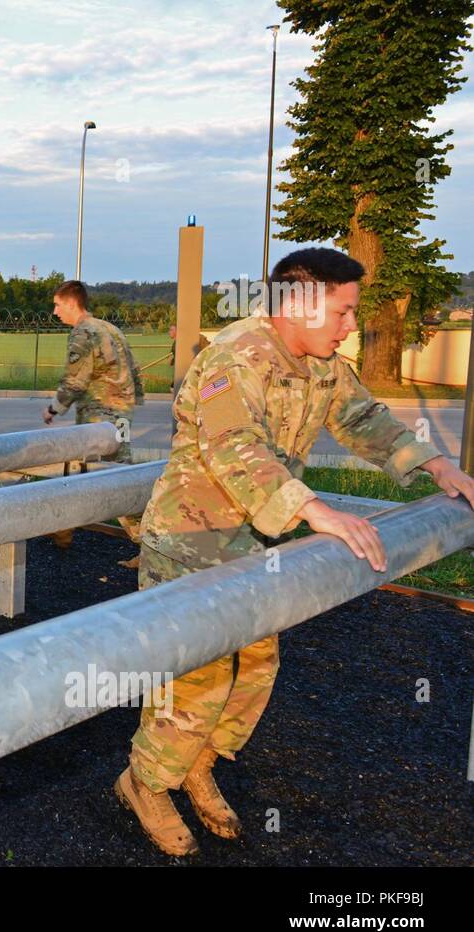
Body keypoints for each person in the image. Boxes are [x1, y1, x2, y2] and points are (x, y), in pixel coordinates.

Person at [113, 247, 474, 856]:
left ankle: (198, 765)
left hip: (260, 542)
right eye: (343, 311)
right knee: (197, 675)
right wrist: (314, 509)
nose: (351, 325)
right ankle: (145, 783)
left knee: (255, 666)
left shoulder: (323, 362)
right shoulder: (237, 356)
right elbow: (235, 445)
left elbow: (362, 417)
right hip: (192, 541)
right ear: (300, 306)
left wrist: (436, 465)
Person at [43, 280, 145, 548]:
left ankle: (150, 544)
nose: (55, 312)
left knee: (113, 478)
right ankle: (63, 530)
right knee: (114, 474)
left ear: (70, 303)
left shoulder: (82, 332)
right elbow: (134, 370)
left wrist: (54, 408)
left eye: (57, 305)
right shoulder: (110, 328)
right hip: (122, 414)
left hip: (100, 420)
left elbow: (75, 380)